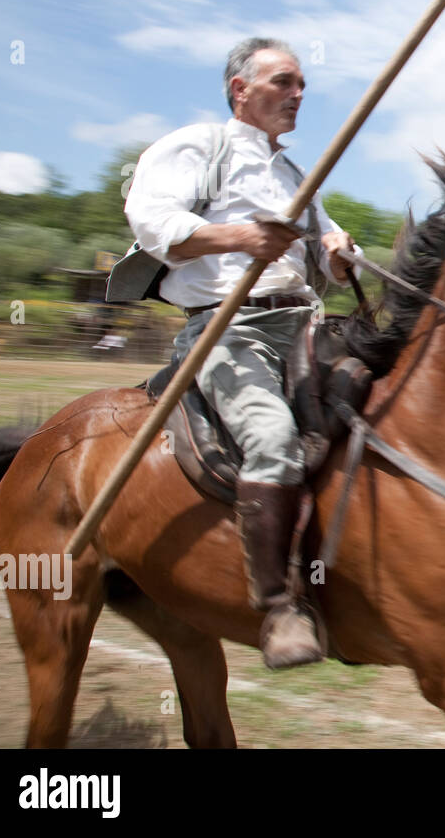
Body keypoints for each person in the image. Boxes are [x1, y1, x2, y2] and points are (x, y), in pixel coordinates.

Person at [122, 37, 363, 669]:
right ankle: (279, 607)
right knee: (272, 438)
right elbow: (150, 219)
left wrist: (337, 253)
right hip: (230, 329)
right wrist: (239, 235)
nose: (298, 94)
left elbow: (326, 261)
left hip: (305, 323)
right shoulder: (198, 147)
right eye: (284, 82)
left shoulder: (294, 177)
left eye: (302, 84)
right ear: (241, 90)